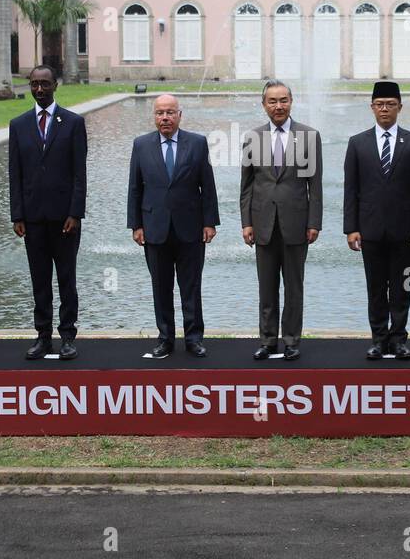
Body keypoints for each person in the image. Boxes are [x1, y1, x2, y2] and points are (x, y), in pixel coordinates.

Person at [126, 94, 218, 357]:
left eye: (169, 112)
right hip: (154, 228)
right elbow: (135, 187)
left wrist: (209, 222)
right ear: (154, 116)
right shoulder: (141, 145)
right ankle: (165, 339)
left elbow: (207, 185)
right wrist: (136, 225)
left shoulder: (197, 143)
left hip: (191, 227)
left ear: (180, 114)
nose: (164, 117)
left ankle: (194, 339)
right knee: (161, 287)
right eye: (159, 113)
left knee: (191, 287)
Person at [343, 81, 410, 360]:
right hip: (370, 230)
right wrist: (351, 228)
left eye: (390, 104)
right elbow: (351, 190)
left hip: (405, 231)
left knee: (405, 284)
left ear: (400, 107)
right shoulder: (357, 143)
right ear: (371, 107)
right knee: (376, 287)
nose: (384, 109)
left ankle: (399, 338)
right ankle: (379, 339)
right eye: (379, 104)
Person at [9, 65, 87, 361]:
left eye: (45, 84)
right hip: (33, 219)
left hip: (64, 219)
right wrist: (18, 215)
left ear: (56, 85)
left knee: (67, 279)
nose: (39, 89)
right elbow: (14, 175)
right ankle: (43, 336)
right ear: (29, 86)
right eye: (34, 84)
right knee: (39, 280)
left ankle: (67, 335)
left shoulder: (72, 122)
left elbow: (79, 174)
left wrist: (75, 213)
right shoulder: (18, 125)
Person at [240, 81, 323, 361]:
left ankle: (291, 340)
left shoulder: (309, 137)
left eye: (283, 100)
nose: (279, 106)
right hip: (262, 223)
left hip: (297, 223)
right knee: (266, 287)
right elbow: (247, 185)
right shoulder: (253, 138)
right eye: (273, 101)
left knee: (294, 287)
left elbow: (316, 185)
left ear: (292, 101)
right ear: (264, 105)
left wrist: (314, 222)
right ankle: (267, 340)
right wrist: (246, 223)